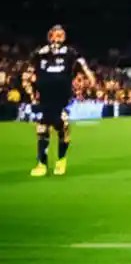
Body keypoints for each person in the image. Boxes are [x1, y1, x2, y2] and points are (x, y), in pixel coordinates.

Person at [27, 25, 95, 177]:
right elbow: (30, 70)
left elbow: (83, 65)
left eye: (61, 34)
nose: (58, 37)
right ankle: (41, 164)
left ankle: (61, 160)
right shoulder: (41, 53)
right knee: (42, 130)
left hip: (62, 97)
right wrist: (32, 88)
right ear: (49, 36)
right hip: (44, 97)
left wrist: (90, 77)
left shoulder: (70, 52)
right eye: (55, 34)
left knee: (62, 127)